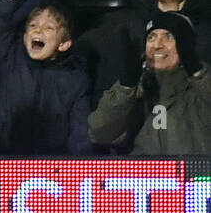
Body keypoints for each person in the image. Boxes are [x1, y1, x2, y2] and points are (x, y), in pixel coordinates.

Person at [0, 1, 93, 155]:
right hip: (1, 160)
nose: (38, 30)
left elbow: (80, 136)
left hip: (47, 167)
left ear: (64, 44)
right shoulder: (10, 58)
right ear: (25, 38)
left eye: (48, 28)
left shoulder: (76, 82)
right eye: (33, 26)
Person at [88, 11, 211, 154]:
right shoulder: (134, 89)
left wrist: (197, 72)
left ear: (186, 44)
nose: (157, 45)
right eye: (151, 37)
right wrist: (126, 87)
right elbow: (100, 134)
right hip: (142, 175)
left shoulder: (201, 86)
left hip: (195, 174)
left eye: (168, 37)